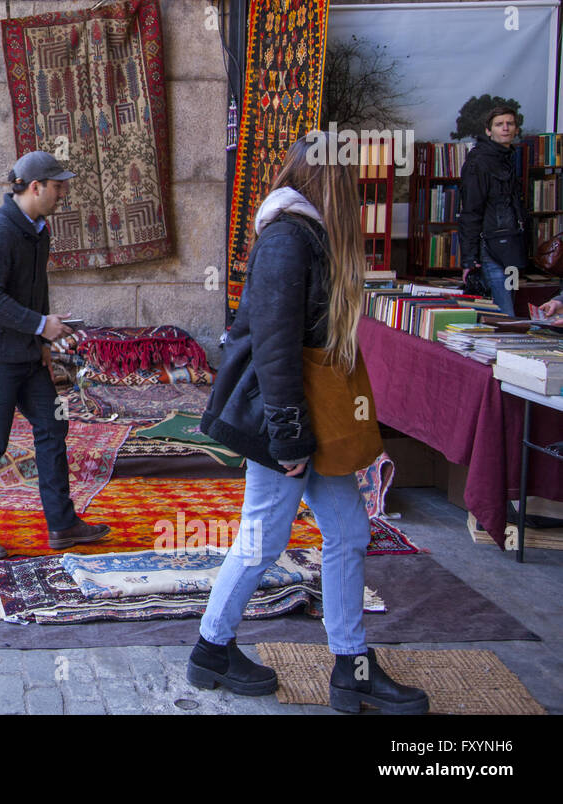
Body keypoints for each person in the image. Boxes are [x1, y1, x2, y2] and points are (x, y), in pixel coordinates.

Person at [191, 134, 429, 714]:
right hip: (286, 420)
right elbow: (274, 349)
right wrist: (290, 438)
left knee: (347, 531)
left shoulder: (306, 234)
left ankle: (352, 667)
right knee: (262, 540)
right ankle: (211, 650)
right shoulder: (288, 239)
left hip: (306, 416)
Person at [0, 150, 112, 559]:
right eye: (58, 187)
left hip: (26, 357)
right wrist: (42, 326)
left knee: (54, 427)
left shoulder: (38, 230)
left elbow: (34, 292)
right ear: (35, 187)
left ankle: (62, 525)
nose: (63, 194)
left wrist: (41, 345)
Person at [457, 106, 525, 316]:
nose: (505, 128)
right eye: (499, 124)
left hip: (510, 246)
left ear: (516, 129)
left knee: (507, 307)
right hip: (491, 247)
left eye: (510, 124)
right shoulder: (479, 161)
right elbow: (470, 211)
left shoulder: (507, 157)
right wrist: (469, 259)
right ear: (488, 131)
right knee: (505, 312)